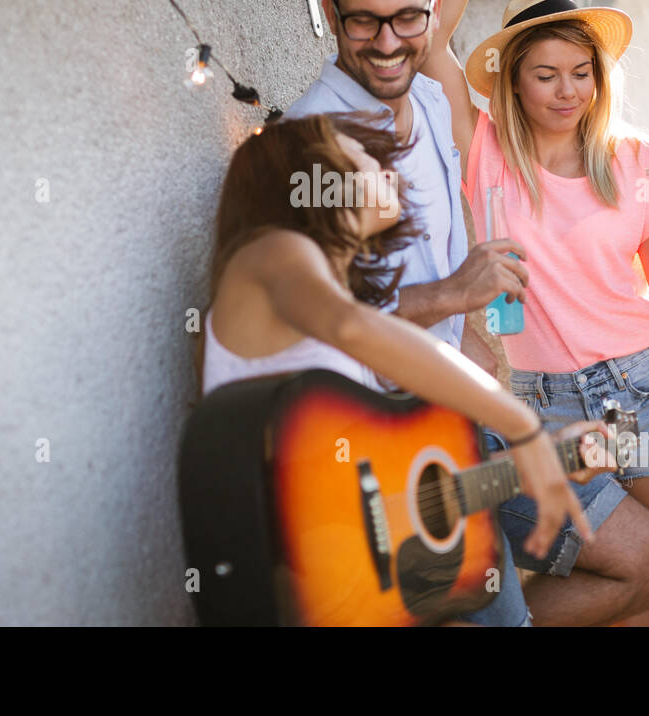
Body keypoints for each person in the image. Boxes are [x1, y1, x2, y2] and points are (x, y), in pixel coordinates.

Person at [286, 0, 649, 626]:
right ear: (331, 16)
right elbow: (318, 318)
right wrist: (451, 296)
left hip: (476, 411)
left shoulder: (431, 108)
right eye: (363, 23)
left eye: (408, 19)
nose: (389, 42)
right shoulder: (316, 142)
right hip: (393, 439)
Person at [424, 0, 649, 626]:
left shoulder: (630, 158)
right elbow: (428, 38)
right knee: (626, 595)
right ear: (512, 82)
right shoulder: (486, 153)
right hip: (547, 410)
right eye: (546, 74)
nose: (568, 91)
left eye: (581, 72)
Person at [202, 112, 608, 626]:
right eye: (367, 157)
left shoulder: (326, 300)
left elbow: (383, 503)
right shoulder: (272, 250)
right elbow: (350, 326)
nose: (389, 169)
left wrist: (545, 459)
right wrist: (522, 427)